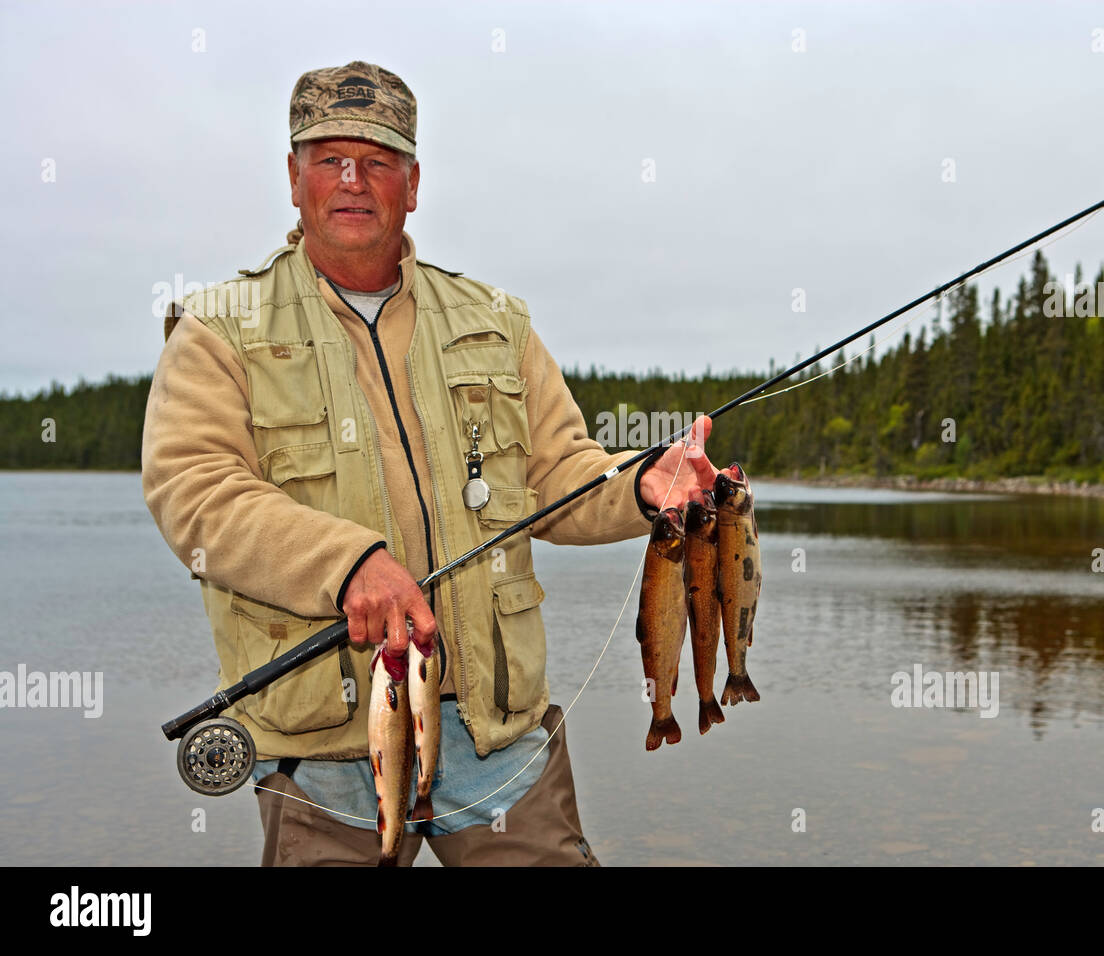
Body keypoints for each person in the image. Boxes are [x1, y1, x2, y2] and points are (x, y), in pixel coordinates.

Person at [142, 60, 718, 866]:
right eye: (329, 157)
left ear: (412, 184)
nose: (352, 179)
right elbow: (196, 496)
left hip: (497, 728)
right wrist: (350, 567)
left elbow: (557, 477)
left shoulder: (496, 321)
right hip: (326, 742)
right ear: (293, 176)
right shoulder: (216, 329)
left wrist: (641, 484)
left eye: (377, 161)